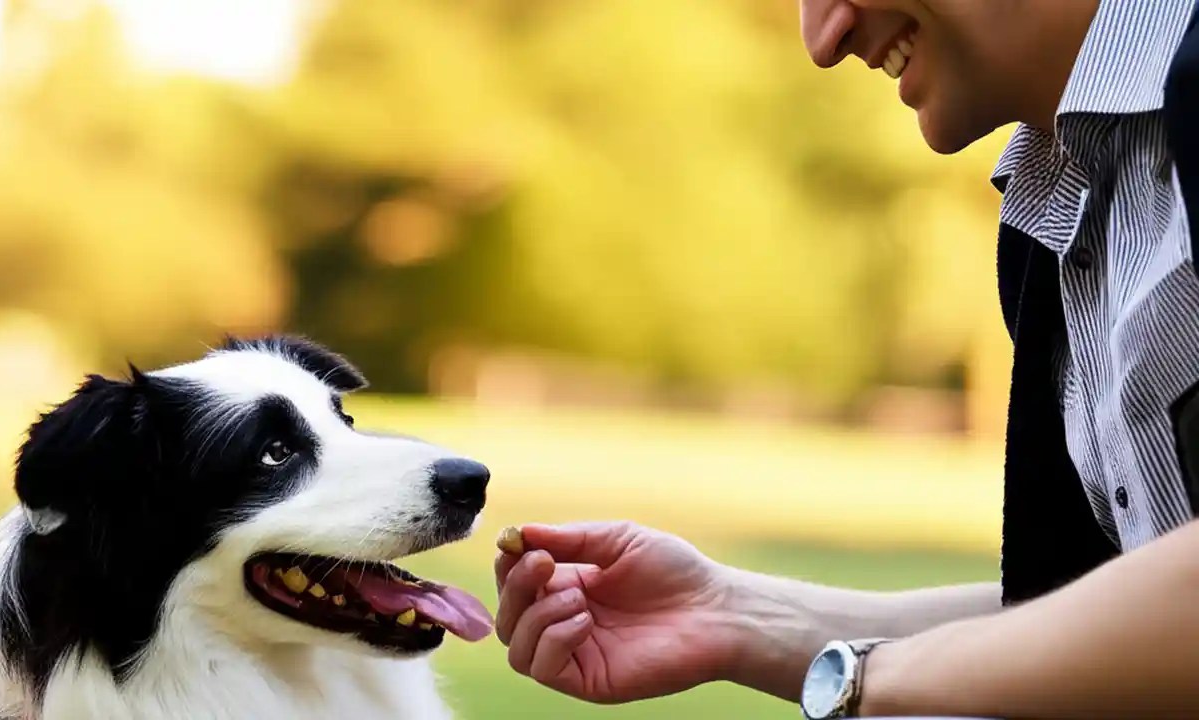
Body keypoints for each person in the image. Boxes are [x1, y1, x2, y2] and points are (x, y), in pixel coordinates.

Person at [493, 1, 1199, 717]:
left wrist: (865, 682)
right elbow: (1093, 619)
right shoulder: (1056, 225)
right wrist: (733, 616)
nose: (822, 38)